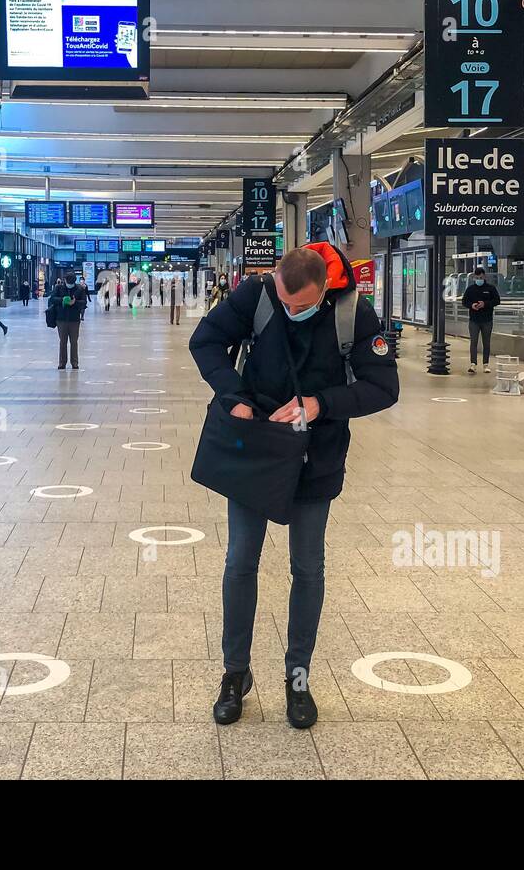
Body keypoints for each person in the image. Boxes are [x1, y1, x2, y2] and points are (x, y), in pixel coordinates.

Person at [189, 244, 399, 729]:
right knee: (241, 560)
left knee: (307, 568)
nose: (291, 310)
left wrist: (321, 404)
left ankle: (298, 676)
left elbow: (383, 387)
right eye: (285, 301)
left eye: (301, 305)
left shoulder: (353, 313)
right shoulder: (258, 294)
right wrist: (233, 394)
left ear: (324, 288)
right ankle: (234, 673)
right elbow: (205, 341)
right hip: (256, 448)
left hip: (316, 457)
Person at [462, 267, 501, 374]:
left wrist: (485, 304)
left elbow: (497, 300)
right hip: (474, 320)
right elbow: (464, 301)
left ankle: (486, 364)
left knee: (486, 342)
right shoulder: (470, 289)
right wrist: (472, 305)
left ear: (484, 277)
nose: (479, 279)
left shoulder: (491, 288)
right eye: (477, 277)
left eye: (481, 277)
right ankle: (473, 364)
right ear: (474, 277)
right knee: (473, 342)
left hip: (487, 320)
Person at [49, 270, 88, 370]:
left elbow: (84, 303)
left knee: (74, 341)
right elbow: (52, 299)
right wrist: (62, 300)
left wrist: (74, 303)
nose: (69, 284)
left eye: (71, 282)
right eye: (68, 281)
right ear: (64, 280)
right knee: (63, 341)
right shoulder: (59, 288)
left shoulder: (80, 289)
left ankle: (74, 363)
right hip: (61, 319)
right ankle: (62, 363)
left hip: (74, 319)